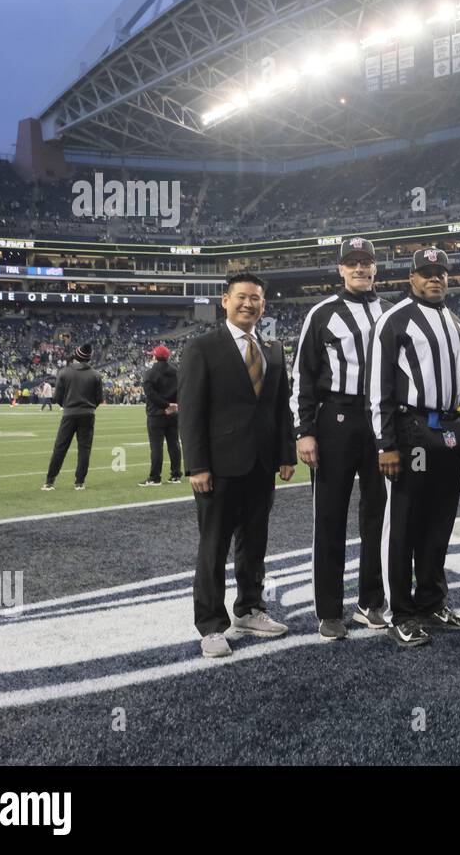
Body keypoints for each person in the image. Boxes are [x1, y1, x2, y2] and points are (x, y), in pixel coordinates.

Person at [179, 272, 297, 659]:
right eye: (242, 297)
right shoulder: (203, 347)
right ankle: (211, 625)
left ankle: (250, 608)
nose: (249, 304)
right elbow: (192, 412)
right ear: (225, 300)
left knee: (254, 543)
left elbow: (280, 407)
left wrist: (285, 453)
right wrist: (196, 465)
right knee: (213, 547)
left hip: (261, 464)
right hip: (219, 466)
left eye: (256, 299)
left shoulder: (273, 348)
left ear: (264, 305)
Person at [369, 247, 460, 648]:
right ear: (410, 279)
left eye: (441, 273)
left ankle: (431, 600)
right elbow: (378, 387)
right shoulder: (394, 320)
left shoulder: (455, 321)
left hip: (448, 430)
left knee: (440, 522)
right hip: (411, 432)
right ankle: (402, 611)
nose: (435, 279)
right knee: (405, 523)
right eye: (426, 273)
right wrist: (385, 444)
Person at [291, 237, 389, 641]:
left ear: (375, 268)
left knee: (377, 517)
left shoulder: (391, 311)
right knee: (329, 517)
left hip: (380, 419)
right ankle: (329, 610)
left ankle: (371, 602)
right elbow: (303, 376)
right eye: (353, 264)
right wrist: (305, 431)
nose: (361, 269)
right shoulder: (322, 313)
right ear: (341, 270)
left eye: (366, 263)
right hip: (337, 418)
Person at [42, 344, 104, 491]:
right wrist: (89, 407)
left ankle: (50, 481)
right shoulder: (96, 375)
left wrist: (68, 406)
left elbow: (57, 397)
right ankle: (79, 482)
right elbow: (99, 399)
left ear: (76, 356)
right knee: (84, 449)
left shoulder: (64, 372)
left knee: (60, 447)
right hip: (88, 414)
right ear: (88, 358)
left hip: (69, 414)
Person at [140, 345, 182, 486]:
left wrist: (165, 406)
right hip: (173, 413)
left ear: (155, 357)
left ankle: (155, 477)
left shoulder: (149, 373)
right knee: (174, 444)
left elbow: (150, 394)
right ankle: (176, 475)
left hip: (156, 414)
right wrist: (173, 405)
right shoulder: (177, 371)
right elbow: (183, 389)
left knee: (156, 447)